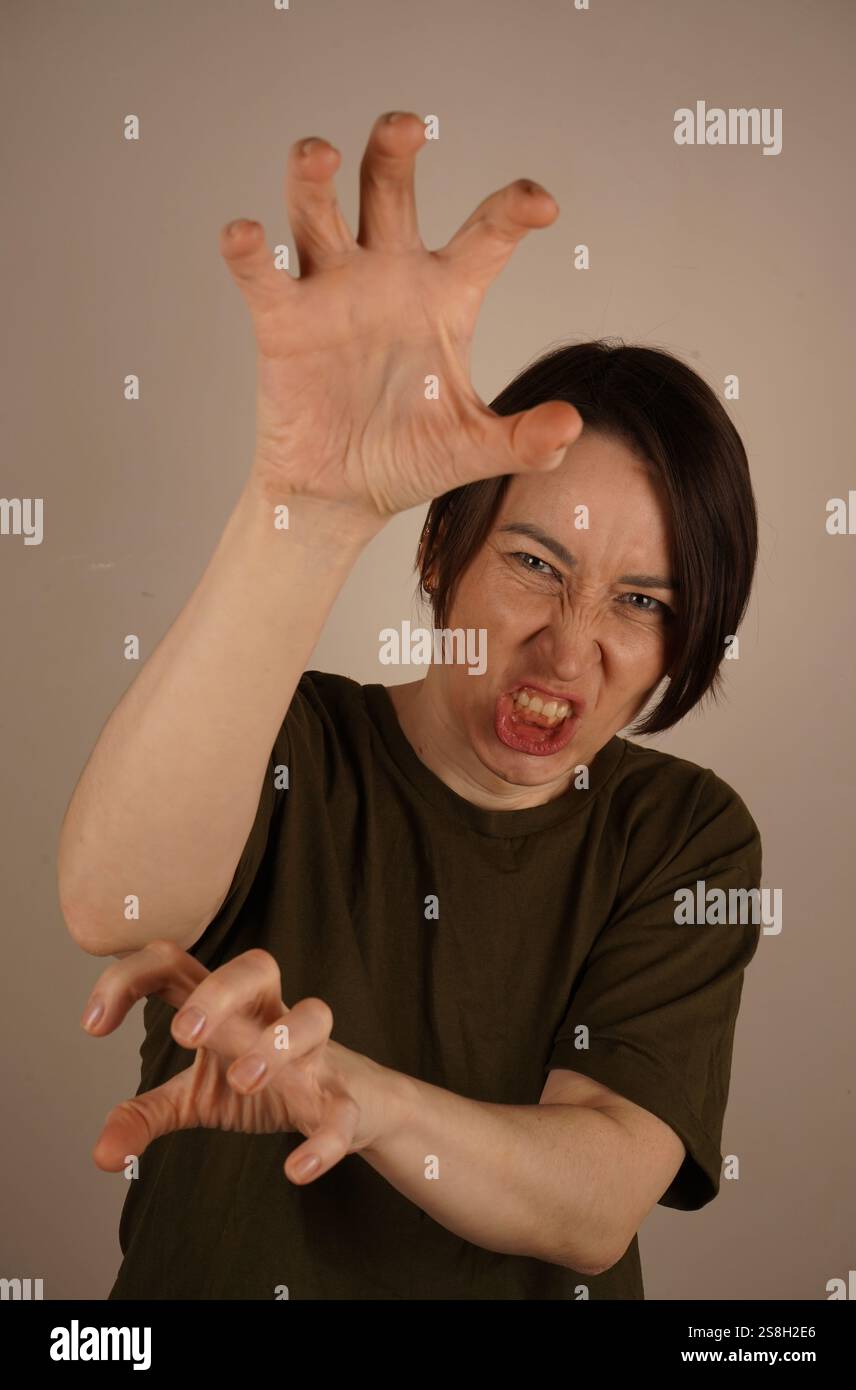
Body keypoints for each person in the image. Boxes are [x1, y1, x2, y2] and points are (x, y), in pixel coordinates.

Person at [58, 110, 763, 1300]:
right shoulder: (282, 743)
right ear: (442, 548)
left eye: (639, 600)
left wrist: (351, 1096)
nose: (568, 645)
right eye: (534, 564)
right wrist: (309, 503)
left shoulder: (684, 835)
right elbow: (106, 900)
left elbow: (592, 1205)